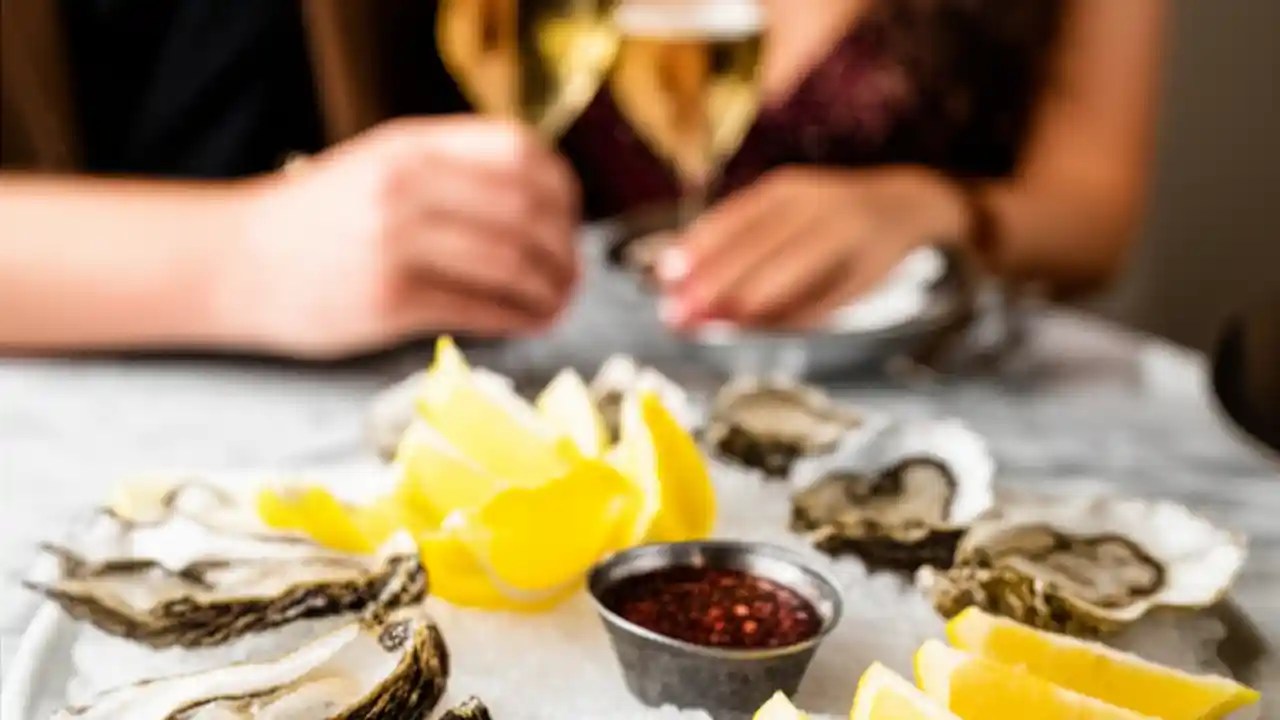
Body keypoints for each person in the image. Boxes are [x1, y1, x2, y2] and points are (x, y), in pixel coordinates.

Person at [1, 0, 1164, 356]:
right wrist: (254, 254)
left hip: (932, 392)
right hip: (567, 363)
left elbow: (1089, 210)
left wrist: (931, 203)